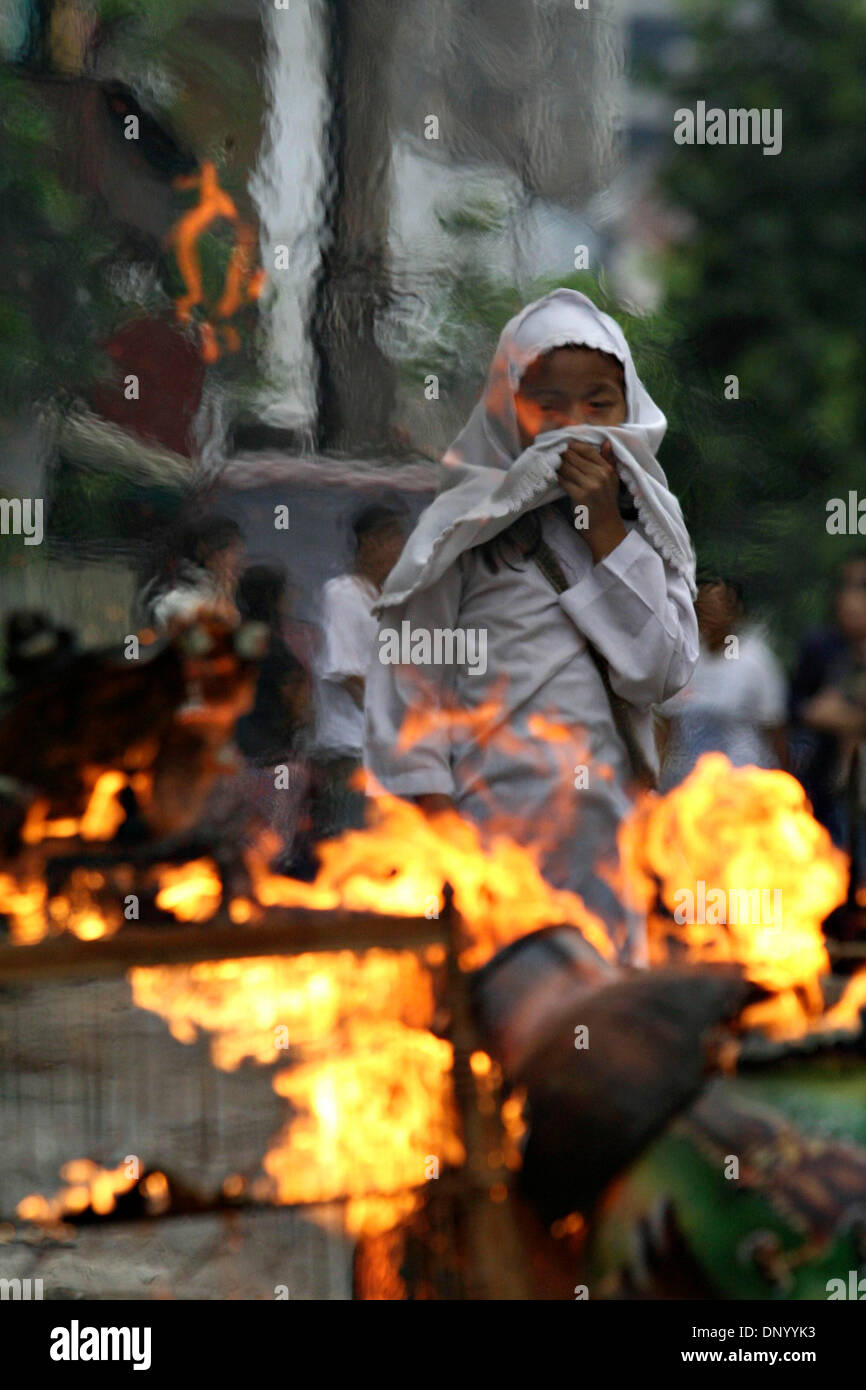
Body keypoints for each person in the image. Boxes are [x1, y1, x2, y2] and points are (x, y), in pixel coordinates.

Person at [364, 288, 698, 960]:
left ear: (630, 409)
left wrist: (605, 530)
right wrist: (444, 837)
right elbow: (410, 694)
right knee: (506, 997)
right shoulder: (460, 530)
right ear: (505, 410)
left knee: (604, 997)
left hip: (605, 830)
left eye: (599, 405)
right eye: (549, 407)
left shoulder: (648, 526)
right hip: (490, 830)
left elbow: (659, 673)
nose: (576, 426)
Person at [289, 502, 407, 874]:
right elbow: (351, 675)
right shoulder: (342, 595)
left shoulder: (384, 600)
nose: (399, 550)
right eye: (393, 540)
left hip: (380, 753)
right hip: (349, 752)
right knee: (346, 854)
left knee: (381, 856)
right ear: (369, 543)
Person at [656, 576, 787, 791]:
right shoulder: (683, 658)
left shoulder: (755, 660)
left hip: (742, 785)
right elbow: (666, 727)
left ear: (734, 611)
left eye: (717, 605)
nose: (710, 612)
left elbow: (775, 728)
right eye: (704, 605)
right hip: (688, 789)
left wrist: (784, 781)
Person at [789, 556, 866, 844]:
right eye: (846, 587)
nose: (851, 599)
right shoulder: (821, 646)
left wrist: (847, 718)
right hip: (828, 788)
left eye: (861, 588)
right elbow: (798, 708)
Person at [136, 514, 245, 632]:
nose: (241, 562)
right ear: (209, 552)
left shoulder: (221, 588)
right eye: (234, 551)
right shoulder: (177, 592)